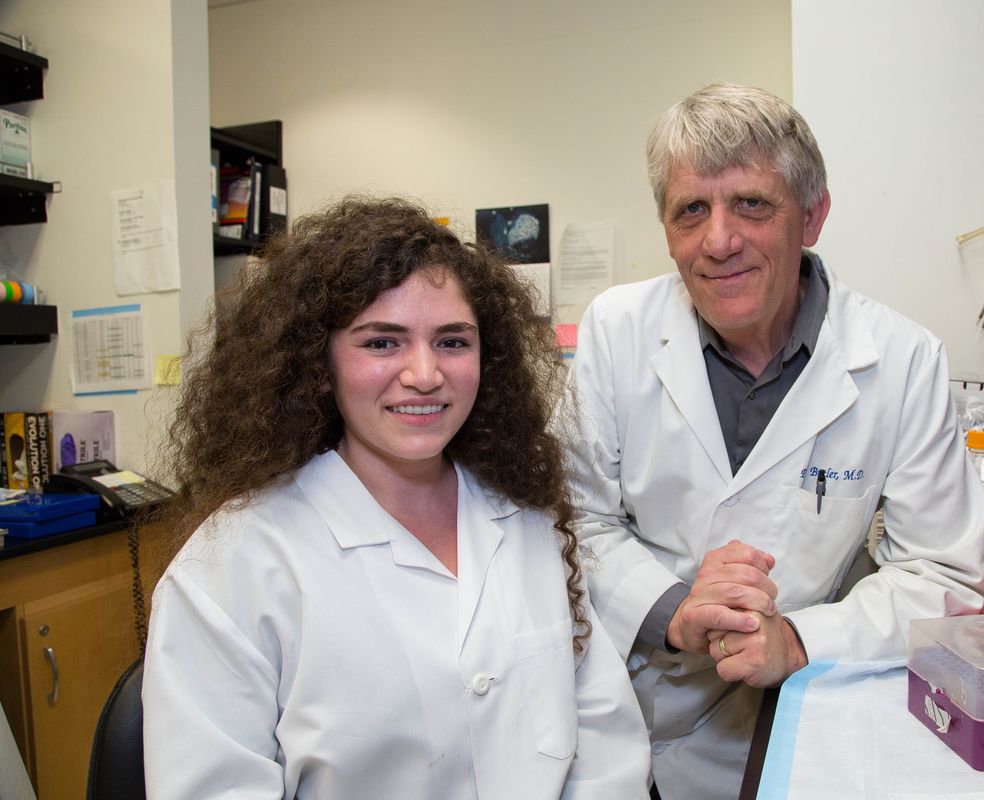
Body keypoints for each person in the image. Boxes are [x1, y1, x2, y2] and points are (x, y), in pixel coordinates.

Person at [564, 83, 984, 798]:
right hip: (626, 718)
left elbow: (947, 579)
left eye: (752, 204)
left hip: (802, 714)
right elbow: (572, 521)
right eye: (691, 211)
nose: (719, 240)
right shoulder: (617, 330)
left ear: (814, 214)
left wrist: (800, 639)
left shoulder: (900, 358)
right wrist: (675, 610)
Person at [141, 197, 651, 799]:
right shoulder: (233, 562)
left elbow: (603, 742)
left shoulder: (529, 519)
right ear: (318, 363)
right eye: (382, 343)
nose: (425, 373)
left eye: (453, 341)